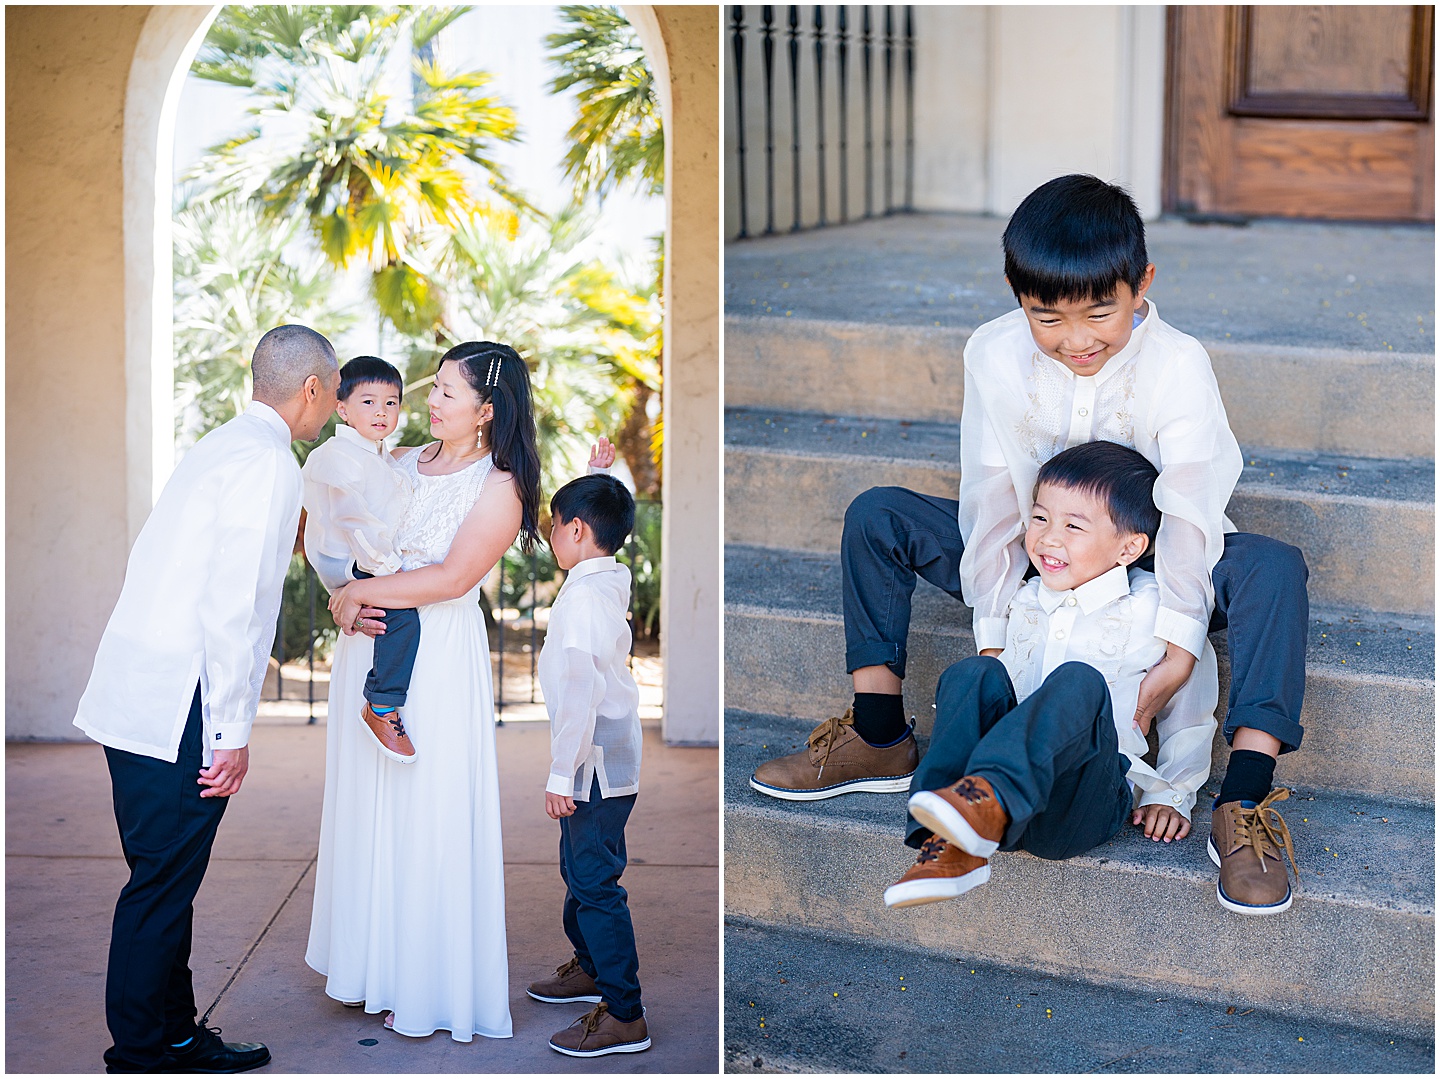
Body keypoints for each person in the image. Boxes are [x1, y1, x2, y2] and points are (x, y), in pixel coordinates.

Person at [750, 174, 1308, 916]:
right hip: (1032, 548)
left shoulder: (1178, 364)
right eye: (1047, 316)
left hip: (1152, 549)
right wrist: (994, 629)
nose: (1076, 340)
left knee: (1272, 564)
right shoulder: (994, 355)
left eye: (1100, 313)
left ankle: (1242, 797)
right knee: (879, 515)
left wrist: (1176, 646)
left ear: (1141, 284)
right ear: (1017, 294)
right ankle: (880, 733)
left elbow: (1192, 511)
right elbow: (990, 497)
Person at [73, 325, 339, 1073]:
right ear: (311, 389)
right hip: (179, 706)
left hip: (135, 693)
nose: (331, 409)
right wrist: (230, 731)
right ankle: (139, 1051)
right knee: (161, 885)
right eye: (334, 389)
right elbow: (234, 608)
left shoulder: (221, 446)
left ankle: (176, 1032)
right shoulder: (270, 463)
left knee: (165, 877)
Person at [305, 341, 541, 1042]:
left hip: (436, 661)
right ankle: (372, 967)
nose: (428, 401)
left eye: (446, 392)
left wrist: (358, 591)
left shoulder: (501, 484)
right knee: (371, 810)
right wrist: (339, 593)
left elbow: (451, 578)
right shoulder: (398, 458)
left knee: (427, 810)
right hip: (370, 650)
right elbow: (341, 534)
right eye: (431, 388)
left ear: (487, 409)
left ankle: (426, 982)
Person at [884, 441, 1235, 908]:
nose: (1049, 538)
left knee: (1078, 681)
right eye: (1041, 518)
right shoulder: (1022, 600)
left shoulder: (1151, 607)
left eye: (1073, 526)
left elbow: (1189, 709)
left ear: (1130, 547)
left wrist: (1173, 793)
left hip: (1079, 804)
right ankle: (948, 840)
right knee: (974, 672)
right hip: (1002, 814)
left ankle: (983, 806)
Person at [526, 461, 650, 1058]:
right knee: (583, 873)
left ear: (576, 530)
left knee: (595, 883)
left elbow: (579, 693)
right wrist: (603, 474)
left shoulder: (581, 602)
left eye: (555, 526)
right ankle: (592, 968)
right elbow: (603, 511)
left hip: (593, 763)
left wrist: (560, 775)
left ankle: (624, 1012)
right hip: (607, 761)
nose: (550, 537)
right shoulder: (607, 578)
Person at [301, 356, 420, 763]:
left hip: (363, 557)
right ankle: (382, 705)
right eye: (368, 402)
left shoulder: (377, 456)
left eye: (391, 403)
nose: (382, 412)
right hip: (348, 560)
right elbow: (353, 521)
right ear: (342, 408)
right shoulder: (339, 455)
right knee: (401, 613)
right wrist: (391, 573)